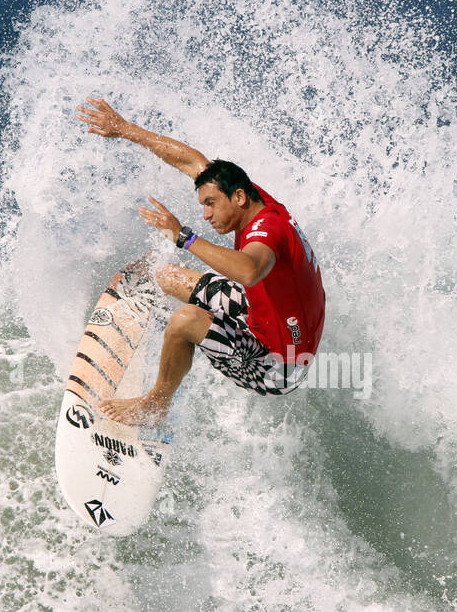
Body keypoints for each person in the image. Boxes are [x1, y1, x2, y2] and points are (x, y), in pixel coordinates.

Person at [75, 97, 326, 425]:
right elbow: (192, 162)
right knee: (166, 276)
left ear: (237, 198)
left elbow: (249, 271)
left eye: (211, 204)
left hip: (280, 364)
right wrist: (126, 130)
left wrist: (185, 237)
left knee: (186, 320)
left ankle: (156, 405)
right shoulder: (254, 197)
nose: (205, 214)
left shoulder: (268, 232)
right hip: (268, 316)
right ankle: (175, 347)